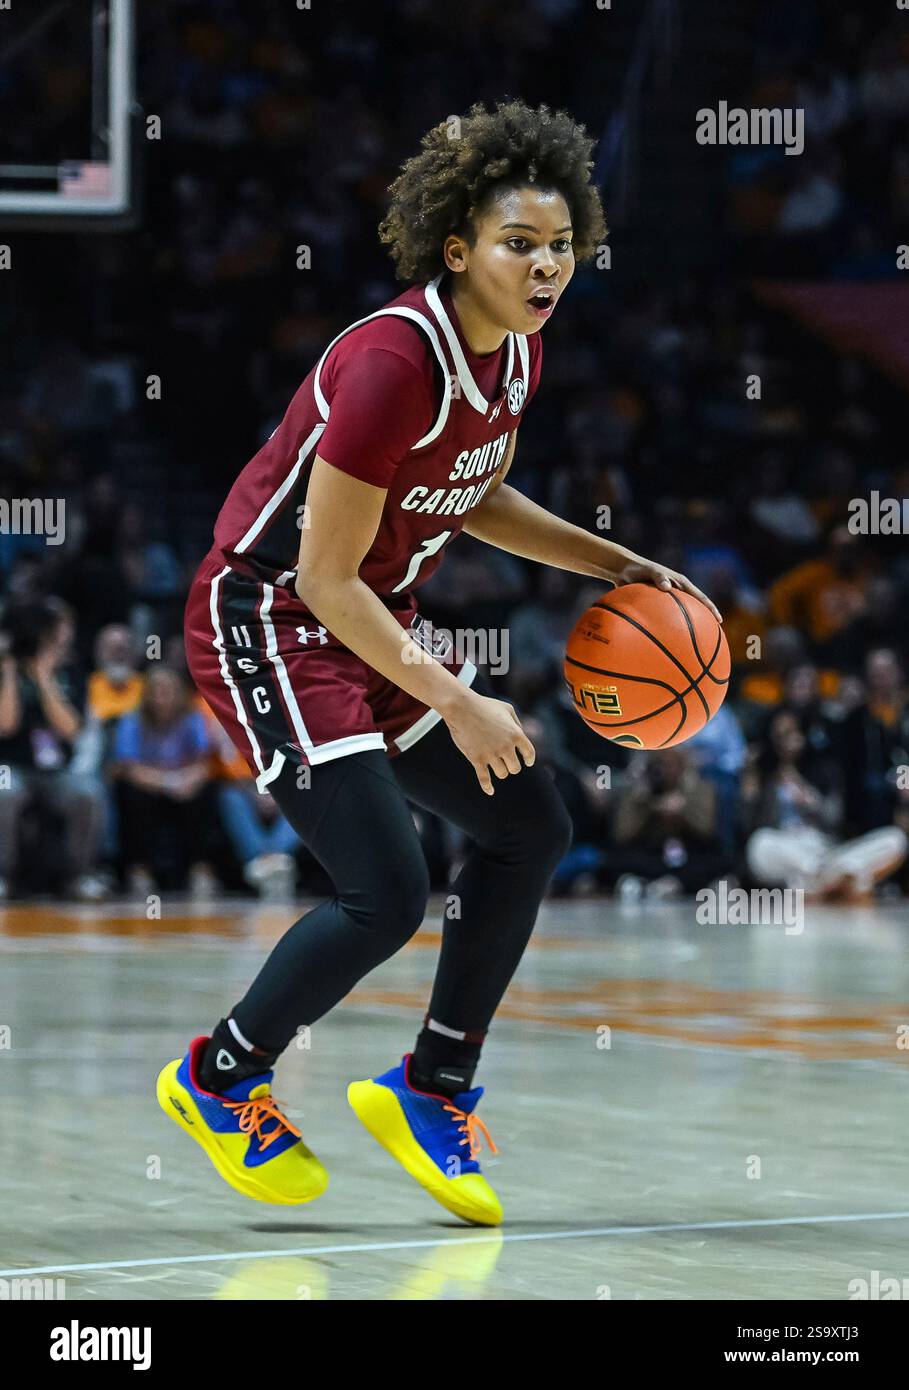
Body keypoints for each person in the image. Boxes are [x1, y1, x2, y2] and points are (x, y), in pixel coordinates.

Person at [157, 99, 720, 1226]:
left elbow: (479, 495)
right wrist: (458, 698)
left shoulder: (515, 356)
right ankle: (218, 1078)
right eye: (521, 244)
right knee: (386, 891)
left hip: (366, 621)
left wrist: (621, 564)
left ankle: (432, 1085)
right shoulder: (388, 364)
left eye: (561, 244)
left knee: (532, 824)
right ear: (458, 251)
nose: (547, 263)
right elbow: (320, 580)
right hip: (268, 619)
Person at [0, 597, 107, 901]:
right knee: (3, 792)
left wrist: (44, 677)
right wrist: (9, 671)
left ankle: (80, 875)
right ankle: (2, 875)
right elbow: (5, 725)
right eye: (60, 627)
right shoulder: (7, 669)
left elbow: (71, 730)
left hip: (58, 769)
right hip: (12, 765)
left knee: (87, 794)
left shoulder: (72, 673)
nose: (66, 634)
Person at [112, 667, 218, 894]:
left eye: (168, 691)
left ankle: (201, 869)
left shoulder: (192, 717)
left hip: (184, 784)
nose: (162, 697)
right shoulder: (132, 720)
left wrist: (186, 780)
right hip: (149, 785)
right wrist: (168, 782)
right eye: (157, 691)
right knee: (132, 794)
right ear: (147, 694)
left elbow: (203, 764)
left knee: (205, 793)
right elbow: (129, 769)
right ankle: (140, 871)